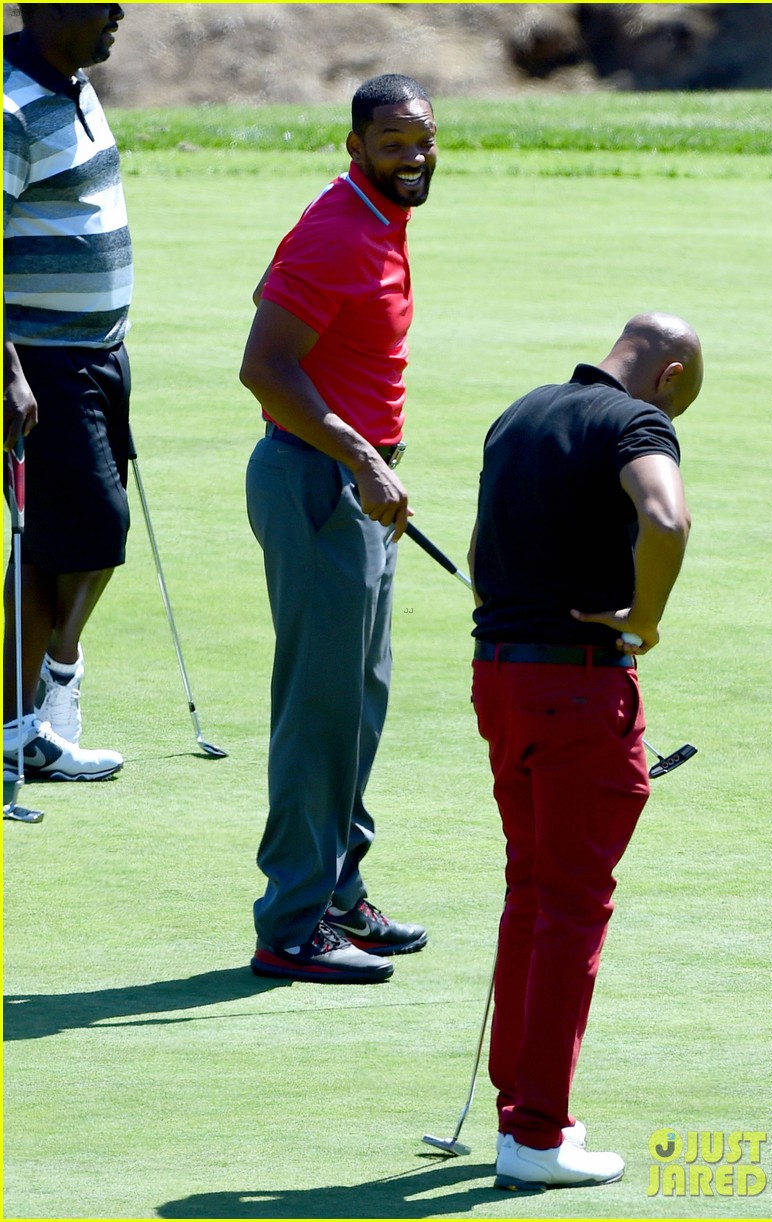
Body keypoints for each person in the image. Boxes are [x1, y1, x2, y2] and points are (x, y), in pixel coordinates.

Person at [468, 313, 703, 1190]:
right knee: (570, 907)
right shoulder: (637, 421)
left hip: (500, 678)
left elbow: (479, 551)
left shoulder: (520, 412)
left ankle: (521, 1109)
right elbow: (665, 519)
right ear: (668, 375)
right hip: (578, 689)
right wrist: (644, 620)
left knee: (530, 891)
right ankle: (536, 1134)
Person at [239, 74, 437, 985]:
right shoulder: (337, 229)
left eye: (422, 139)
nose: (412, 157)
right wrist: (362, 455)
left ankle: (338, 892)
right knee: (318, 713)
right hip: (320, 482)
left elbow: (275, 298)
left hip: (355, 484)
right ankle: (290, 927)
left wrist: (369, 463)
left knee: (361, 699)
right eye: (392, 142)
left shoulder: (375, 217)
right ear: (355, 146)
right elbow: (264, 366)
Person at [3, 3, 131, 782]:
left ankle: (31, 716)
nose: (119, 12)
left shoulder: (73, 82)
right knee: (79, 533)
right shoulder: (10, 106)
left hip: (95, 354)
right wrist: (8, 372)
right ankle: (31, 711)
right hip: (39, 367)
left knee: (65, 543)